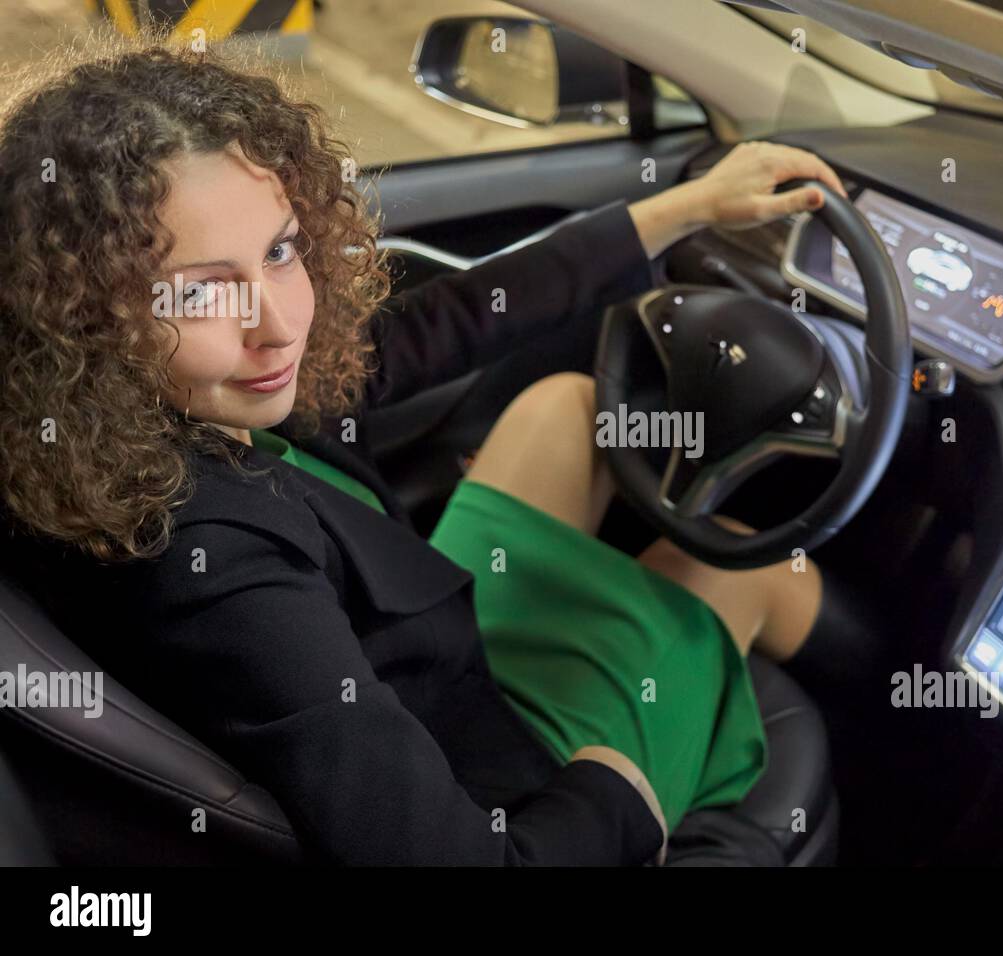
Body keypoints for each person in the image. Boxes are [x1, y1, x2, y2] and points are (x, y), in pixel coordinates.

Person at [0, 37, 848, 865]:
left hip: (432, 659)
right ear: (84, 313)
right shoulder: (213, 572)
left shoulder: (120, 418)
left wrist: (682, 209)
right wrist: (610, 795)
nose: (279, 324)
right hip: (514, 780)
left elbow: (439, 327)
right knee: (747, 563)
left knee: (565, 408)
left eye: (280, 249)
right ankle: (926, 750)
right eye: (199, 290)